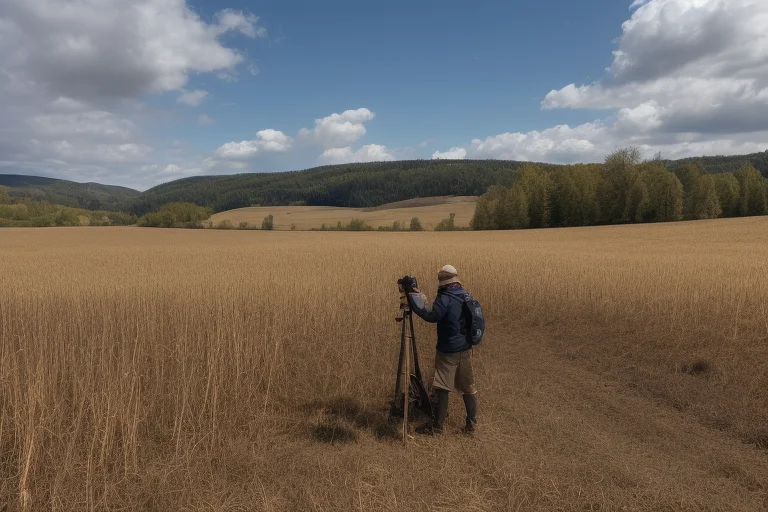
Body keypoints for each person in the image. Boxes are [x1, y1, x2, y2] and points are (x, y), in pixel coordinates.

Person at [406, 265, 478, 435]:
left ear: (442, 281)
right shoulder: (465, 295)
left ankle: (437, 426)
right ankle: (471, 425)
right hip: (465, 349)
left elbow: (432, 316)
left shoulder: (445, 298)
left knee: (442, 386)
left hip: (448, 350)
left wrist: (413, 301)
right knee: (468, 386)